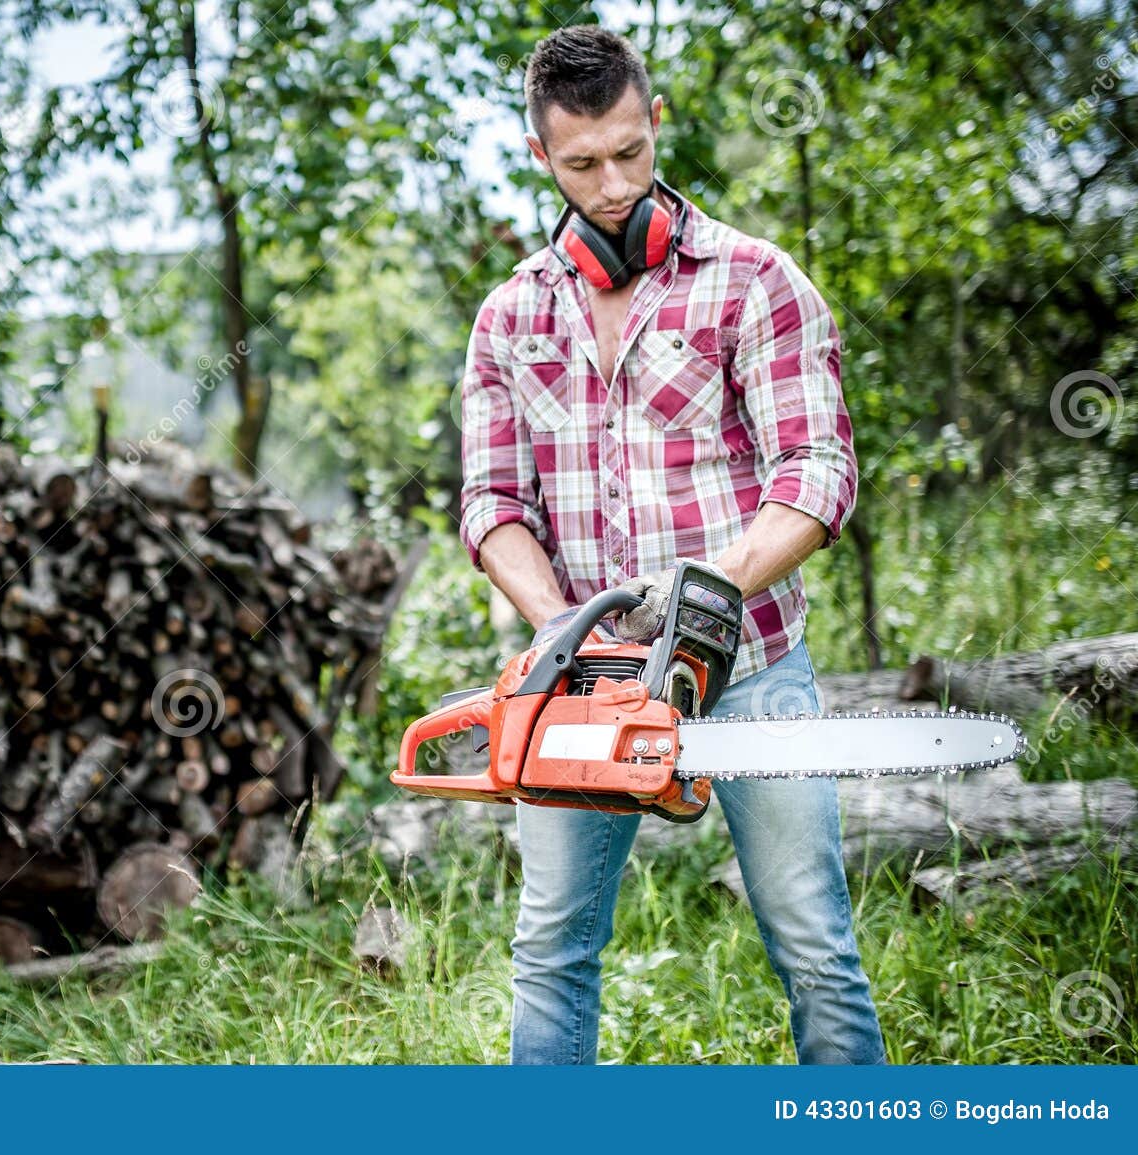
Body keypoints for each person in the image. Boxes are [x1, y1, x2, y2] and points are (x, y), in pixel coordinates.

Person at [458, 24, 885, 1065]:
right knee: (551, 948)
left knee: (813, 944)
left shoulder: (753, 280)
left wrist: (708, 589)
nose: (611, 186)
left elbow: (817, 471)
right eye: (581, 165)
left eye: (629, 152)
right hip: (580, 685)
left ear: (655, 121)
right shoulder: (510, 316)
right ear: (539, 155)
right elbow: (491, 501)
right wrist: (562, 625)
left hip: (748, 669)